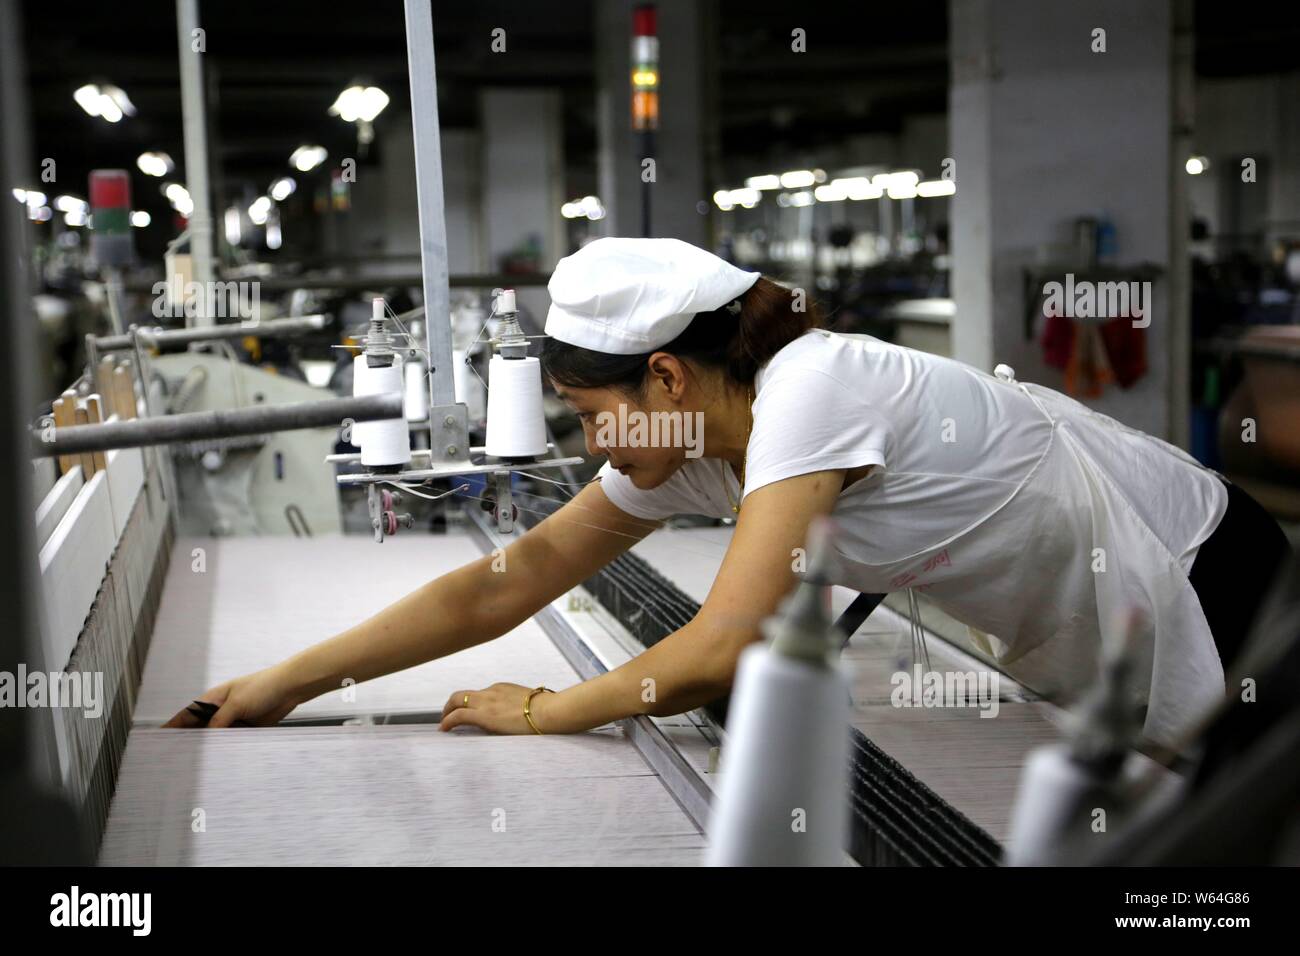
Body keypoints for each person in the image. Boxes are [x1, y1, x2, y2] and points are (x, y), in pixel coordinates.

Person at [167, 237, 1291, 750]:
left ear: (662, 376)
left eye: (586, 411)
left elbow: (719, 644)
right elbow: (505, 584)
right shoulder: (700, 444)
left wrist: (546, 709)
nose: (586, 439)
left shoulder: (814, 385)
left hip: (1208, 571)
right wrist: (287, 681)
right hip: (1087, 611)